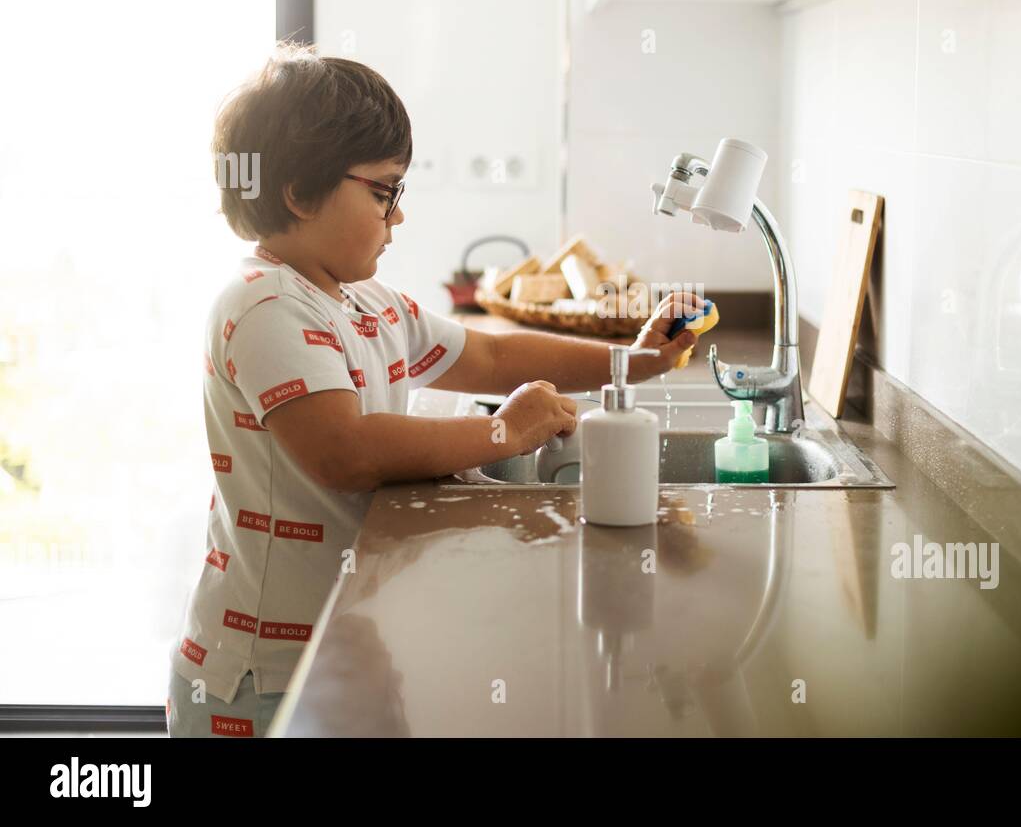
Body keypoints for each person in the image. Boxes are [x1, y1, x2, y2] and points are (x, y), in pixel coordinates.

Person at [167, 42, 702, 736]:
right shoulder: (264, 304)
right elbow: (346, 452)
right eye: (383, 192)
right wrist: (501, 433)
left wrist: (633, 362)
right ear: (299, 192)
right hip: (261, 674)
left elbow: (486, 353)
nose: (398, 217)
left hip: (340, 644)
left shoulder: (366, 301)